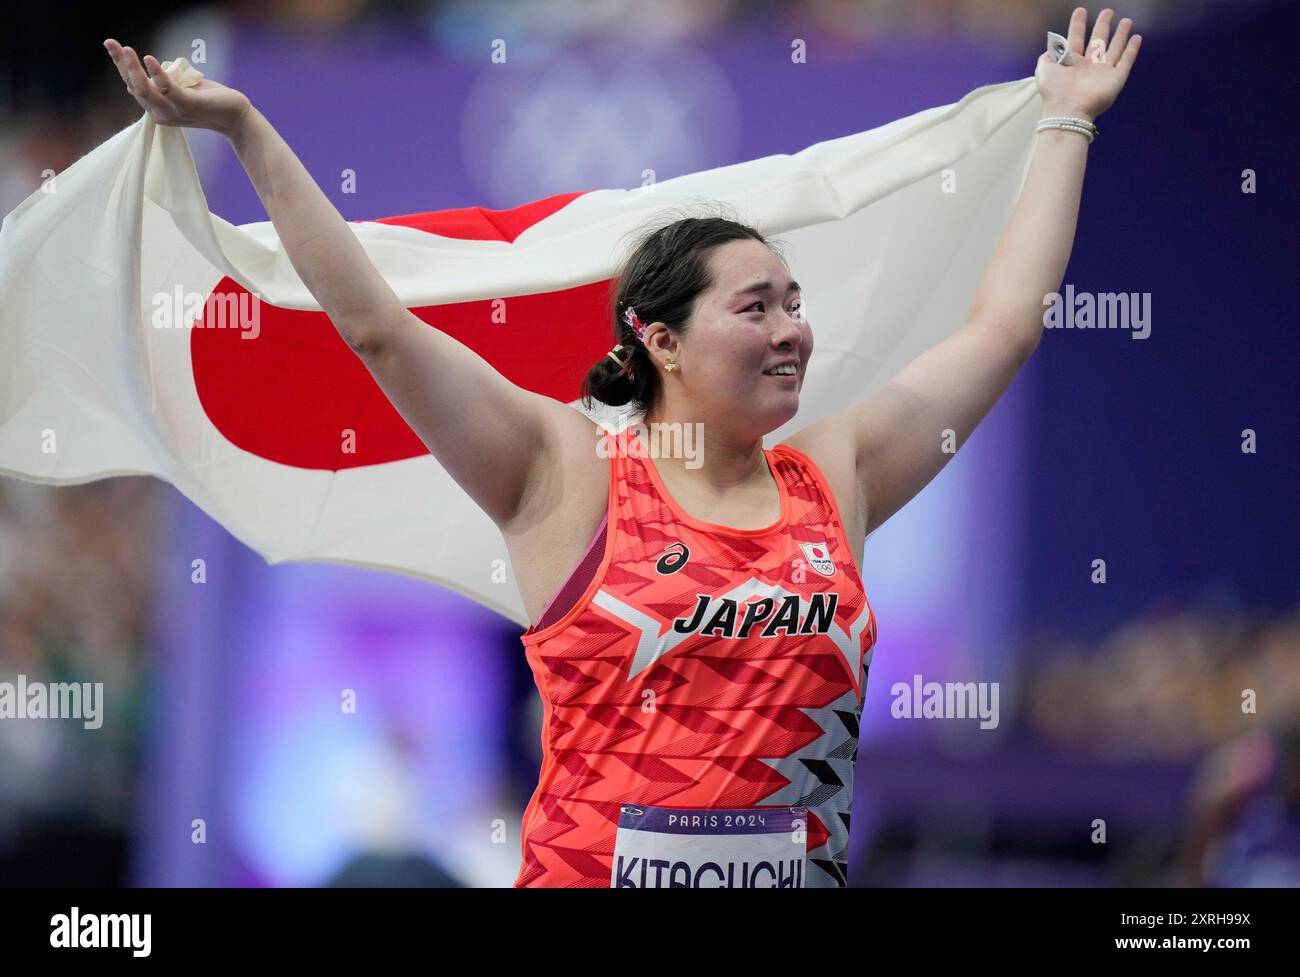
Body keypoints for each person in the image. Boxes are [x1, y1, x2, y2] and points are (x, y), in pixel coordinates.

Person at [102, 6, 1141, 887]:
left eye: (796, 304)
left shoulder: (840, 471)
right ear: (660, 339)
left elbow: (1002, 326)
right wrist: (246, 132)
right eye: (756, 307)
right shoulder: (565, 474)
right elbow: (378, 327)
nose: (793, 330)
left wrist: (1063, 126)